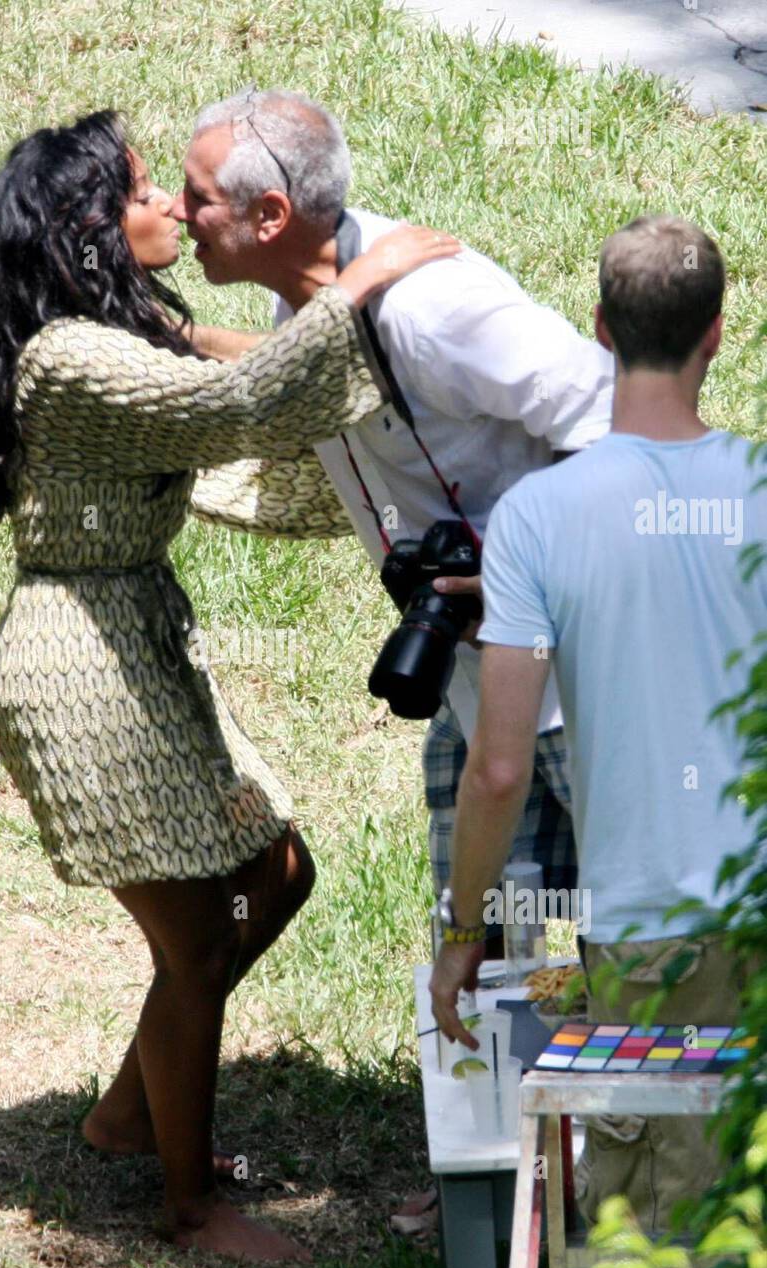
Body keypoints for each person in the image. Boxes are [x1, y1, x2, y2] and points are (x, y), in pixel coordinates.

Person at [0, 110, 461, 1263]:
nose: (172, 209)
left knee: (271, 875)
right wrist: (355, 285)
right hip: (79, 675)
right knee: (194, 949)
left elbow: (216, 358)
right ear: (91, 228)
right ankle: (191, 1207)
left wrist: (339, 332)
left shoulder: (114, 328)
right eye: (145, 195)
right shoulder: (70, 361)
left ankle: (125, 1114)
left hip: (136, 646)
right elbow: (231, 409)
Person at [171, 86, 615, 955]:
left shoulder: (433, 309)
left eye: (197, 197)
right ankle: (508, 1088)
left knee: (626, 929)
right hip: (467, 672)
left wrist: (525, 572)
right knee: (488, 940)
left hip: (581, 676)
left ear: (269, 215)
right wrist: (179, 337)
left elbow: (608, 416)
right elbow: (290, 367)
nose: (179, 215)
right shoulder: (303, 298)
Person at [430, 214, 767, 1233]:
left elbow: (495, 769)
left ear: (599, 330)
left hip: (654, 932)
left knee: (665, 1250)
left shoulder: (537, 517)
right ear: (715, 332)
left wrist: (461, 933)